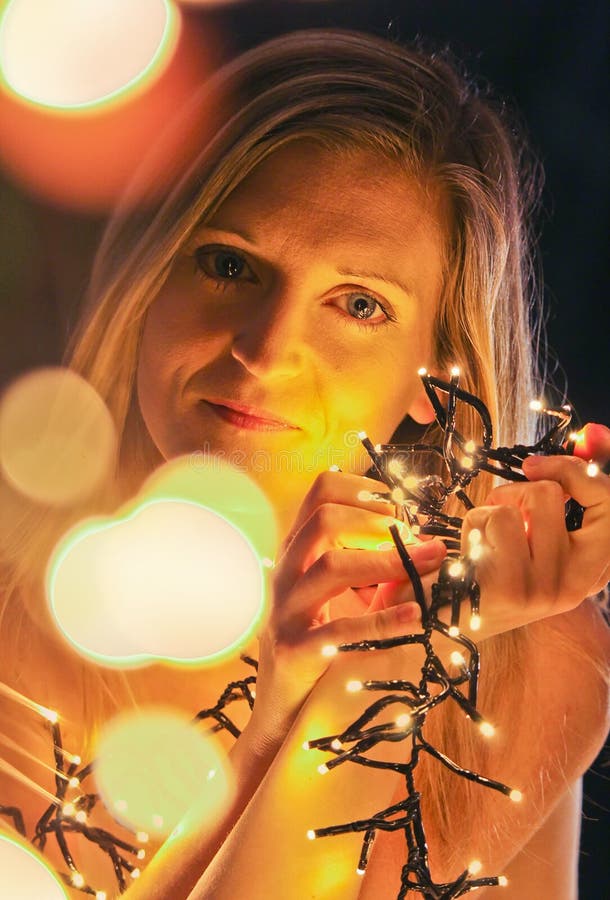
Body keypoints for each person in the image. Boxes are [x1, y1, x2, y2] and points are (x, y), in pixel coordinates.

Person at [1, 28, 609, 900]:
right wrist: (311, 696)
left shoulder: (522, 657)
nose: (267, 348)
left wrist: (386, 638)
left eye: (358, 304)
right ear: (148, 277)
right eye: (228, 264)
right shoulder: (18, 611)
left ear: (438, 384)